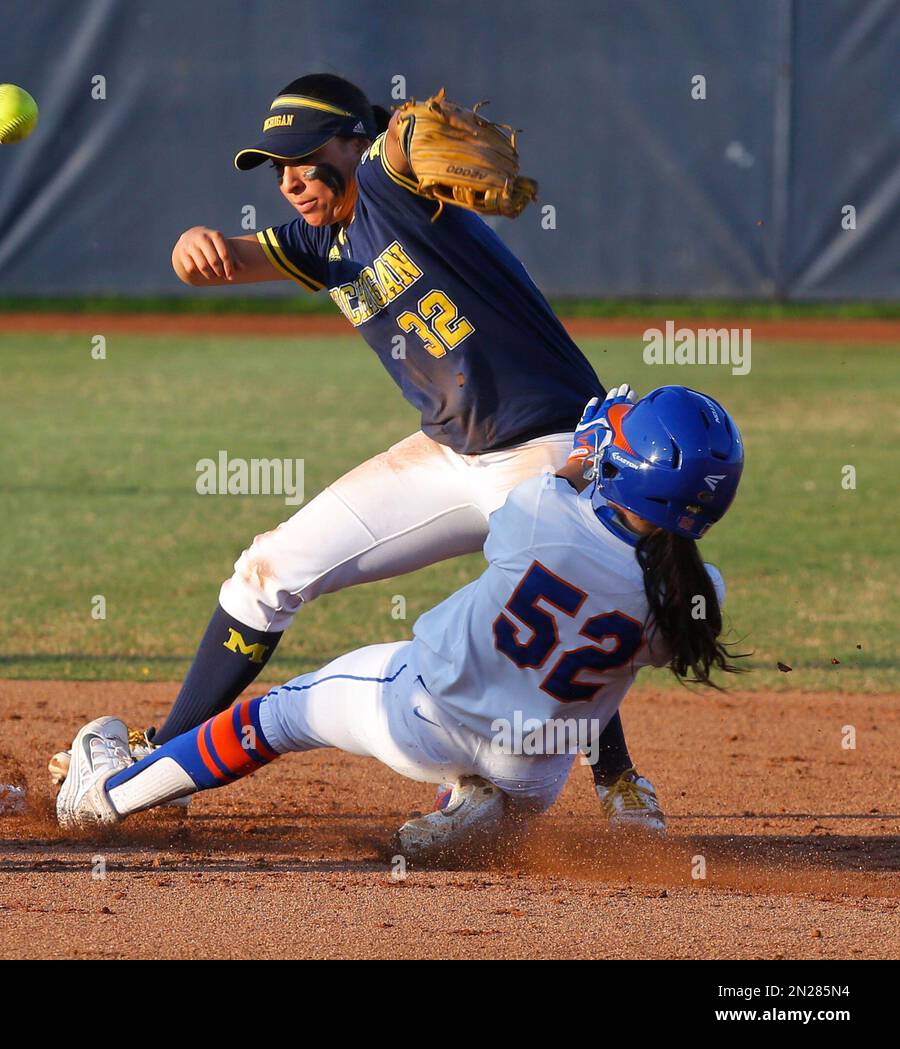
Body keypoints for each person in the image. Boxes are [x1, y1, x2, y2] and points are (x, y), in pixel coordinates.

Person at [52, 73, 660, 827]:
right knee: (267, 571)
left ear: (351, 142)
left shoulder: (385, 187)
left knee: (563, 588)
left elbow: (400, 143)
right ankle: (163, 753)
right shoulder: (321, 236)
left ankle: (621, 782)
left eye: (304, 157)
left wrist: (400, 128)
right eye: (277, 168)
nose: (291, 179)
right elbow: (235, 258)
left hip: (549, 445)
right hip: (446, 453)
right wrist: (193, 247)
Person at [56, 386, 745, 857]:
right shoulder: (694, 592)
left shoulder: (541, 510)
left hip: (417, 716)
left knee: (270, 719)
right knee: (534, 726)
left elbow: (564, 479)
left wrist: (585, 452)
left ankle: (106, 796)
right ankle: (478, 806)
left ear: (628, 468)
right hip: (535, 771)